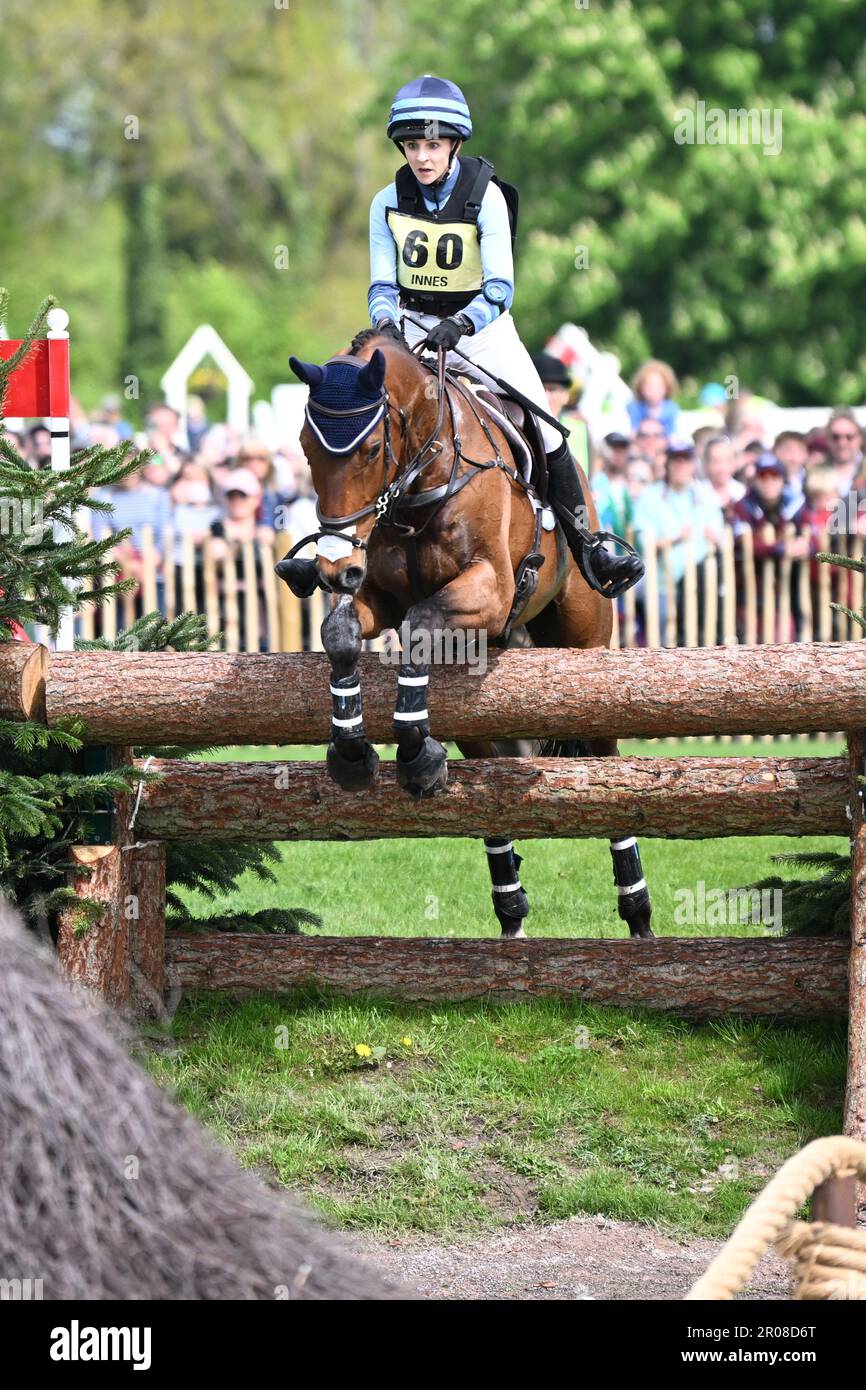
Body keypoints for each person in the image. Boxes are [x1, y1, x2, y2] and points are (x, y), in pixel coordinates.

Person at [283, 74, 642, 603]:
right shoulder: (387, 200)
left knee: (548, 430)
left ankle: (588, 542)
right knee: (357, 414)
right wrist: (386, 330)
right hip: (408, 330)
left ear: (454, 144)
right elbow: (382, 283)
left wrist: (462, 324)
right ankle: (331, 543)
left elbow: (500, 286)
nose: (422, 157)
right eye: (412, 146)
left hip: (483, 330)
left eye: (432, 145)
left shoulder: (487, 196)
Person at [627, 359, 680, 438]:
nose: (654, 391)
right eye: (649, 386)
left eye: (659, 386)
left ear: (667, 388)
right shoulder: (634, 408)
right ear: (641, 389)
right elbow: (632, 433)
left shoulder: (671, 409)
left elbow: (673, 435)